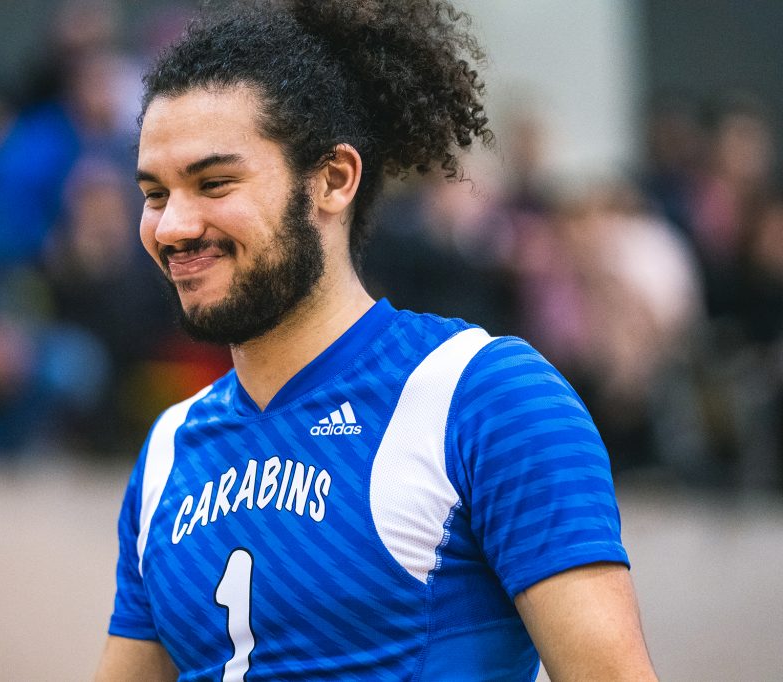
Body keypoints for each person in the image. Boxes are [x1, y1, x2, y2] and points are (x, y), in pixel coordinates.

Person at [97, 1, 656, 679]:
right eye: (154, 193)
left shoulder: (487, 397)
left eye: (214, 183)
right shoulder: (167, 451)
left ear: (334, 180)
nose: (172, 226)